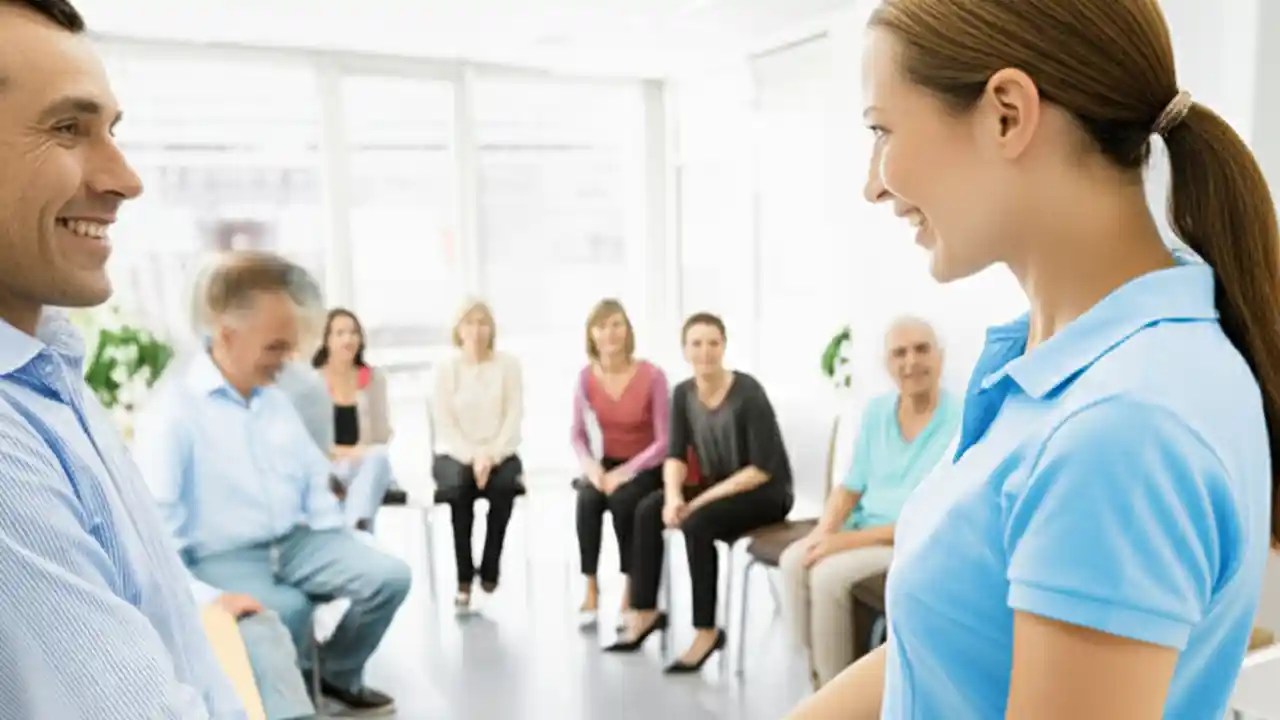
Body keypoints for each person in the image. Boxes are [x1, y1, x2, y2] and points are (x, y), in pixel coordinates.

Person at [790, 1, 1278, 718]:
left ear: (1007, 114)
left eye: (882, 130)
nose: (873, 182)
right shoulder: (1054, 364)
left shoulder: (1122, 428)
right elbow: (956, 641)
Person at [0, 2, 245, 717]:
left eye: (111, 129)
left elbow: (132, 581)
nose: (126, 178)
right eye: (67, 128)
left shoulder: (44, 370)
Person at [134, 251, 410, 716]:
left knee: (388, 576)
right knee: (286, 610)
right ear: (227, 335)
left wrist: (343, 540)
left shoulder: (274, 399)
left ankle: (337, 676)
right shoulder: (173, 414)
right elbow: (156, 533)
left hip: (298, 543)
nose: (287, 361)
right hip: (225, 556)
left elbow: (312, 478)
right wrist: (202, 595)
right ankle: (299, 696)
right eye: (274, 348)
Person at [607, 313, 794, 673]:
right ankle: (645, 611)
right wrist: (675, 496)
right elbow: (675, 455)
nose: (705, 351)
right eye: (696, 343)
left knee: (697, 523)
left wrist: (695, 503)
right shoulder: (683, 394)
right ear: (684, 349)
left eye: (713, 343)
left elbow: (759, 470)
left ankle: (706, 631)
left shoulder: (747, 392)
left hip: (765, 492)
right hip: (717, 486)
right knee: (649, 509)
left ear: (724, 346)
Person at [779, 316, 960, 689]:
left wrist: (841, 542)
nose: (911, 362)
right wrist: (822, 532)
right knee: (795, 559)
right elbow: (850, 487)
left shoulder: (959, 418)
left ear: (940, 358)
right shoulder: (877, 412)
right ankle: (813, 680)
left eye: (921, 350)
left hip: (911, 542)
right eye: (900, 353)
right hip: (862, 529)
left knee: (828, 576)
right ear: (887, 364)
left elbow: (932, 518)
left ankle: (838, 697)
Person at [570, 299, 670, 625]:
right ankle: (591, 586)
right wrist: (592, 468)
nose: (610, 333)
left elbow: (664, 441)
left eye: (617, 324)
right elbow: (577, 434)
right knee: (587, 498)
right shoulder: (586, 379)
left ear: (627, 331)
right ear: (591, 335)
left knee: (624, 501)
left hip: (647, 465)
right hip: (608, 462)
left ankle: (630, 585)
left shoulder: (652, 376)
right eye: (601, 326)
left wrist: (625, 473)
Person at [432, 298, 524, 611]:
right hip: (455, 454)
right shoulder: (446, 369)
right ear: (458, 329)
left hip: (500, 451)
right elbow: (445, 425)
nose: (477, 330)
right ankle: (462, 577)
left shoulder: (507, 365)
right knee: (459, 489)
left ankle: (490, 564)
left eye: (483, 322)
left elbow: (514, 416)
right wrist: (474, 457)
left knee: (504, 487)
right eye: (469, 322)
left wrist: (491, 456)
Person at [311, 308, 397, 532]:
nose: (348, 339)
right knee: (350, 474)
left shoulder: (374, 379)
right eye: (340, 333)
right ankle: (359, 531)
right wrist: (342, 454)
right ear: (326, 340)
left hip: (365, 463)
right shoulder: (312, 382)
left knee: (378, 458)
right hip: (328, 467)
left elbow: (381, 435)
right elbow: (307, 439)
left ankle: (352, 529)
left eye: (353, 333)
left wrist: (357, 454)